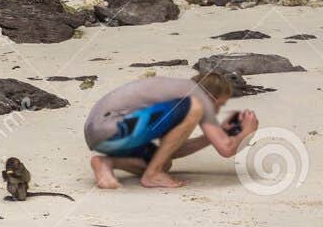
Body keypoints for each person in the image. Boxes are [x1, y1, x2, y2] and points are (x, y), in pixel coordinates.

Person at [85, 72, 254, 189]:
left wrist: (210, 137)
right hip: (112, 127)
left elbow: (173, 148)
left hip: (100, 134)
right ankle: (152, 175)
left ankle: (105, 163)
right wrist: (247, 130)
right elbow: (226, 149)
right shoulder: (198, 97)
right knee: (195, 107)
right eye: (220, 104)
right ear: (212, 97)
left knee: (163, 162)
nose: (217, 111)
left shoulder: (177, 96)